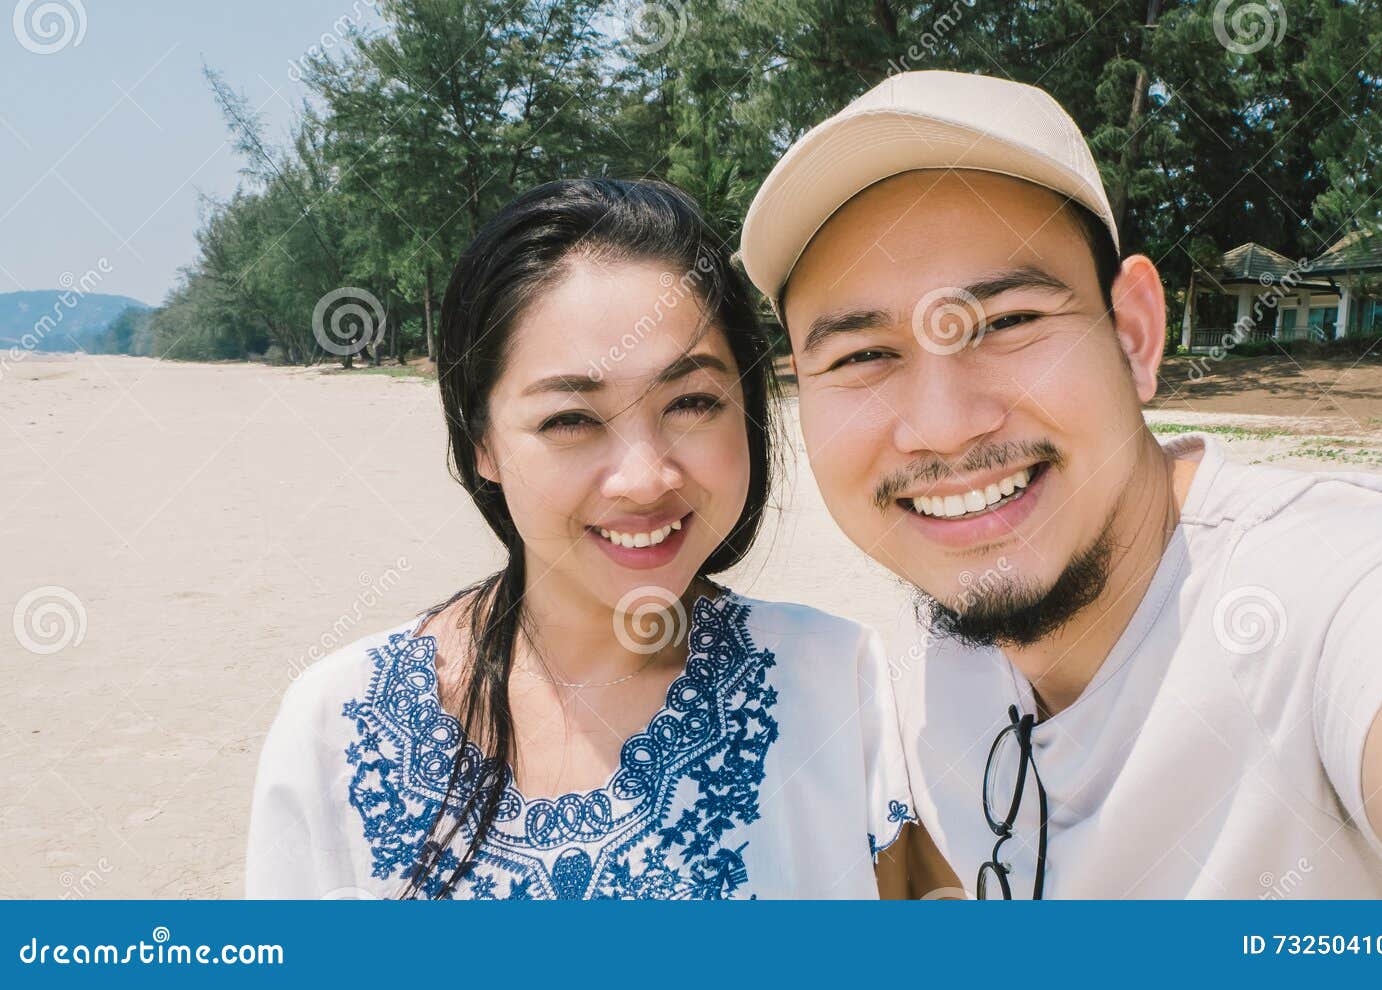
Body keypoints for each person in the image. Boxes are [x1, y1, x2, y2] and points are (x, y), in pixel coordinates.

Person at [739, 69, 1382, 899]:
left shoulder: (1346, 605)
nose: (944, 424)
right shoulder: (939, 663)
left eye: (1007, 322)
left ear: (1135, 334)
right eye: (862, 355)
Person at [245, 178, 919, 899]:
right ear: (483, 443)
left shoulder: (842, 684)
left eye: (691, 402)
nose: (644, 478)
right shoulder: (335, 728)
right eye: (571, 419)